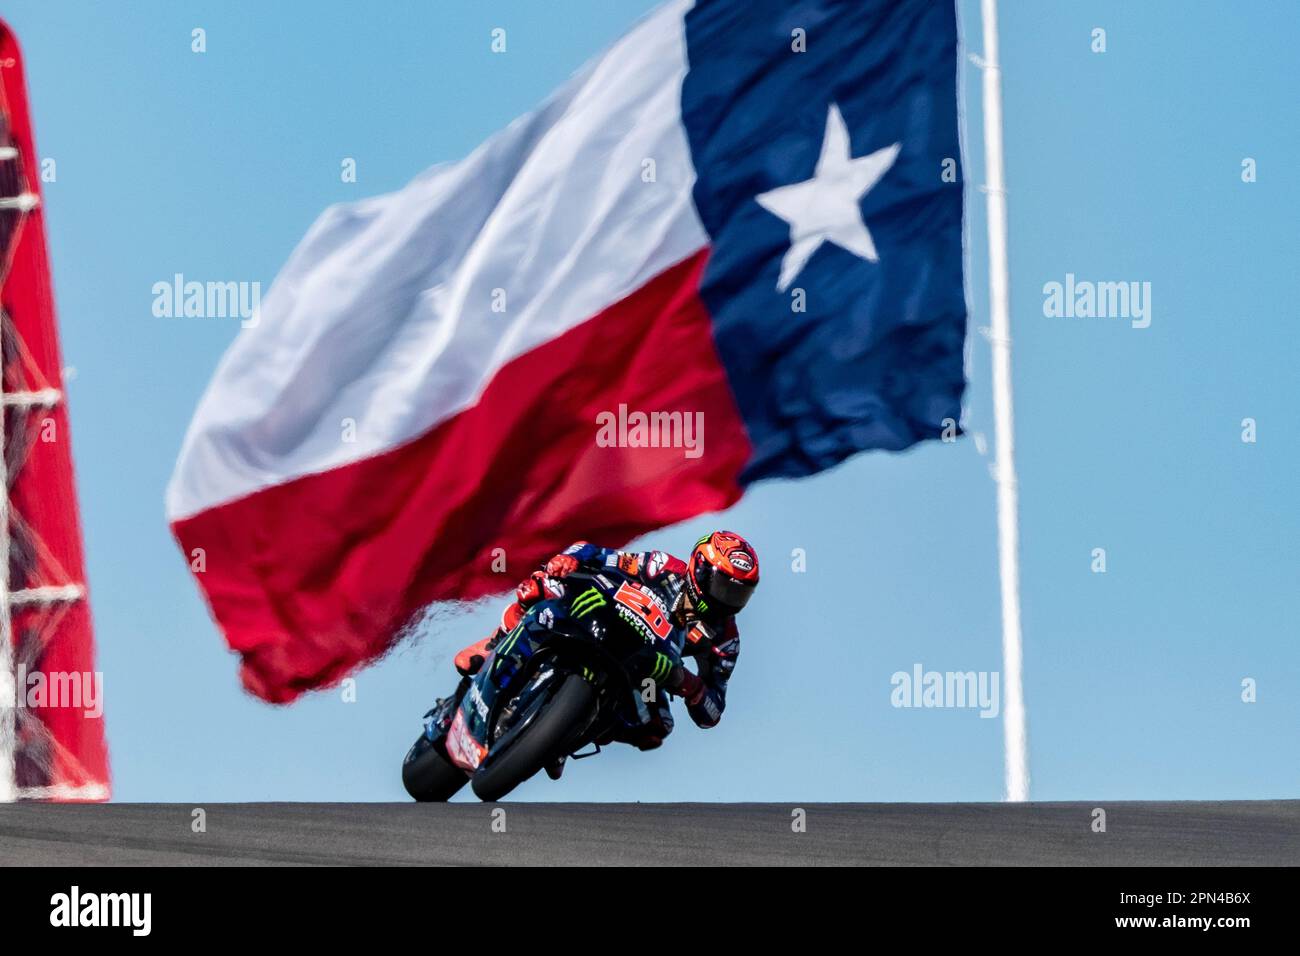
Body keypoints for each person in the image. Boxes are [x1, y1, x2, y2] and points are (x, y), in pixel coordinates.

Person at [452, 531, 759, 773]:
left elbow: (713, 711)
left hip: (646, 668)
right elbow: (600, 555)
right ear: (700, 569)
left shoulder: (724, 639)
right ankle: (498, 640)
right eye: (723, 586)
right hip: (602, 616)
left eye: (739, 593)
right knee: (543, 586)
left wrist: (691, 686)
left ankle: (562, 737)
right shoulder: (662, 567)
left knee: (656, 728)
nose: (728, 599)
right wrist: (568, 560)